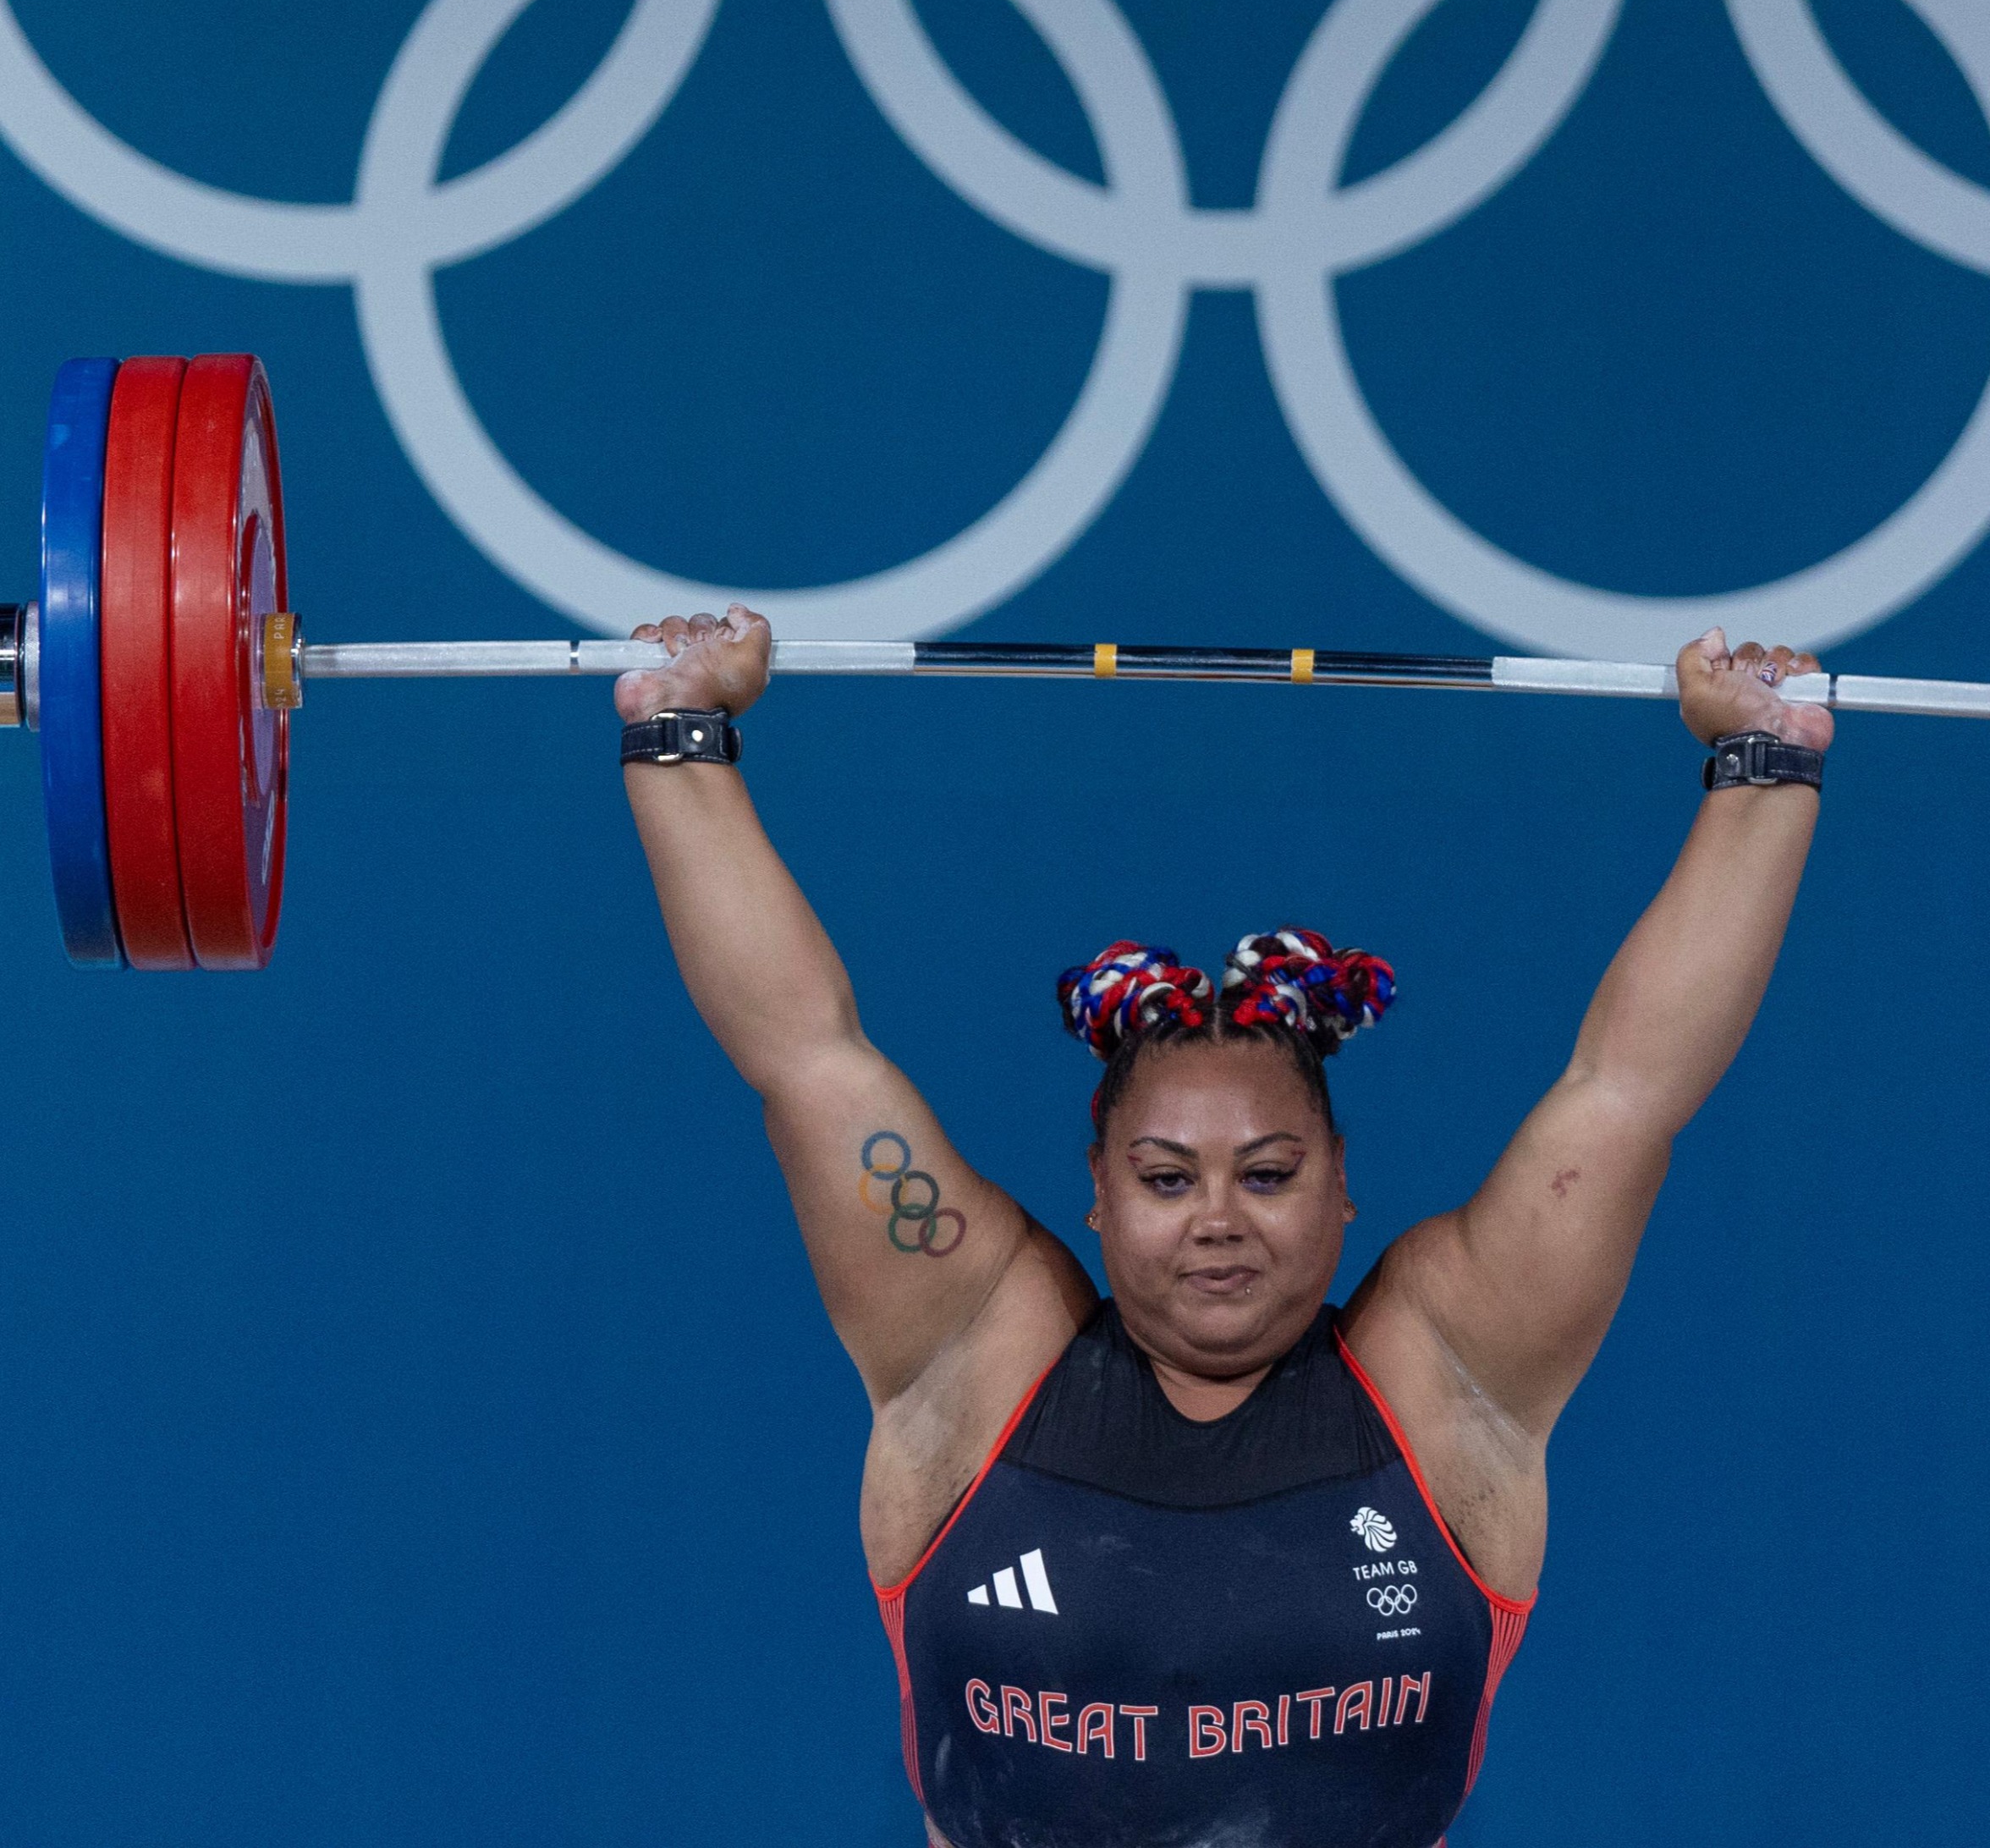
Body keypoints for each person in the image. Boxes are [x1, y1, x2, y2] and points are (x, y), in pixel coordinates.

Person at [618, 605, 1831, 1848]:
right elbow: (806, 1059)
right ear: (1095, 1188)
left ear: (1341, 1183)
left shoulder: (1446, 1375)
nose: (1215, 1222)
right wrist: (677, 733)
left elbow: (1627, 1091)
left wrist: (1766, 763)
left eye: (1265, 1173)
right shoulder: (974, 1353)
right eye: (1163, 1178)